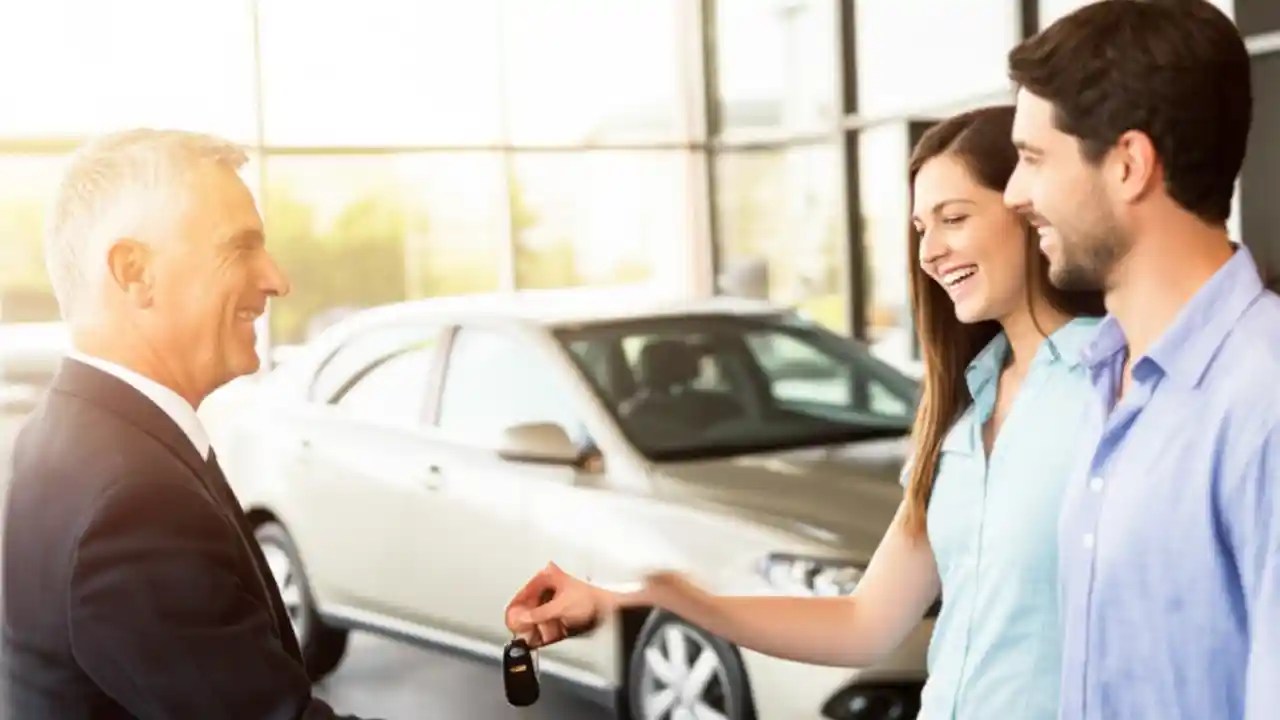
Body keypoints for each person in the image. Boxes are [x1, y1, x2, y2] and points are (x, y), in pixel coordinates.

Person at [505, 105, 1105, 719]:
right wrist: (628, 600)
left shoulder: (1112, 384)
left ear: (1031, 207)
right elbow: (863, 621)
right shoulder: (961, 409)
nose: (930, 252)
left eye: (954, 218)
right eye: (922, 227)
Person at [1, 130, 377, 719]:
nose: (276, 278)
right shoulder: (134, 501)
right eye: (240, 248)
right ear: (135, 272)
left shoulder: (65, 433)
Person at [1002, 2, 1280, 719]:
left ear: (1128, 164)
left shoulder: (1264, 399)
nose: (1013, 194)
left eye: (1034, 159)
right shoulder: (1106, 379)